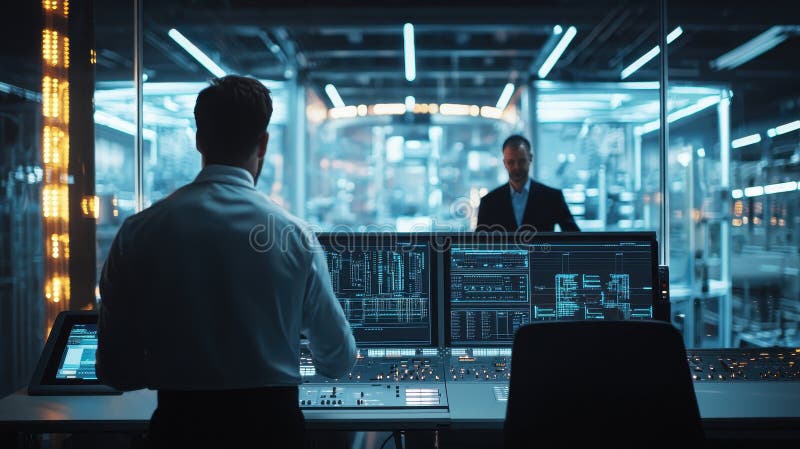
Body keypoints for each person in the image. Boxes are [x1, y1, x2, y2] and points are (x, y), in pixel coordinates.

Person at [96, 75, 356, 448]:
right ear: (262, 143)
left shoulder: (138, 232)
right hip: (273, 432)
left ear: (199, 139)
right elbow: (338, 360)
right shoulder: (294, 234)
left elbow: (116, 371)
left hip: (179, 430)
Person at [476, 134, 580, 232]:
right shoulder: (488, 202)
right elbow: (479, 242)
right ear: (504, 163)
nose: (516, 167)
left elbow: (574, 237)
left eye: (521, 161)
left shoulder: (553, 198)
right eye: (511, 162)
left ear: (530, 158)